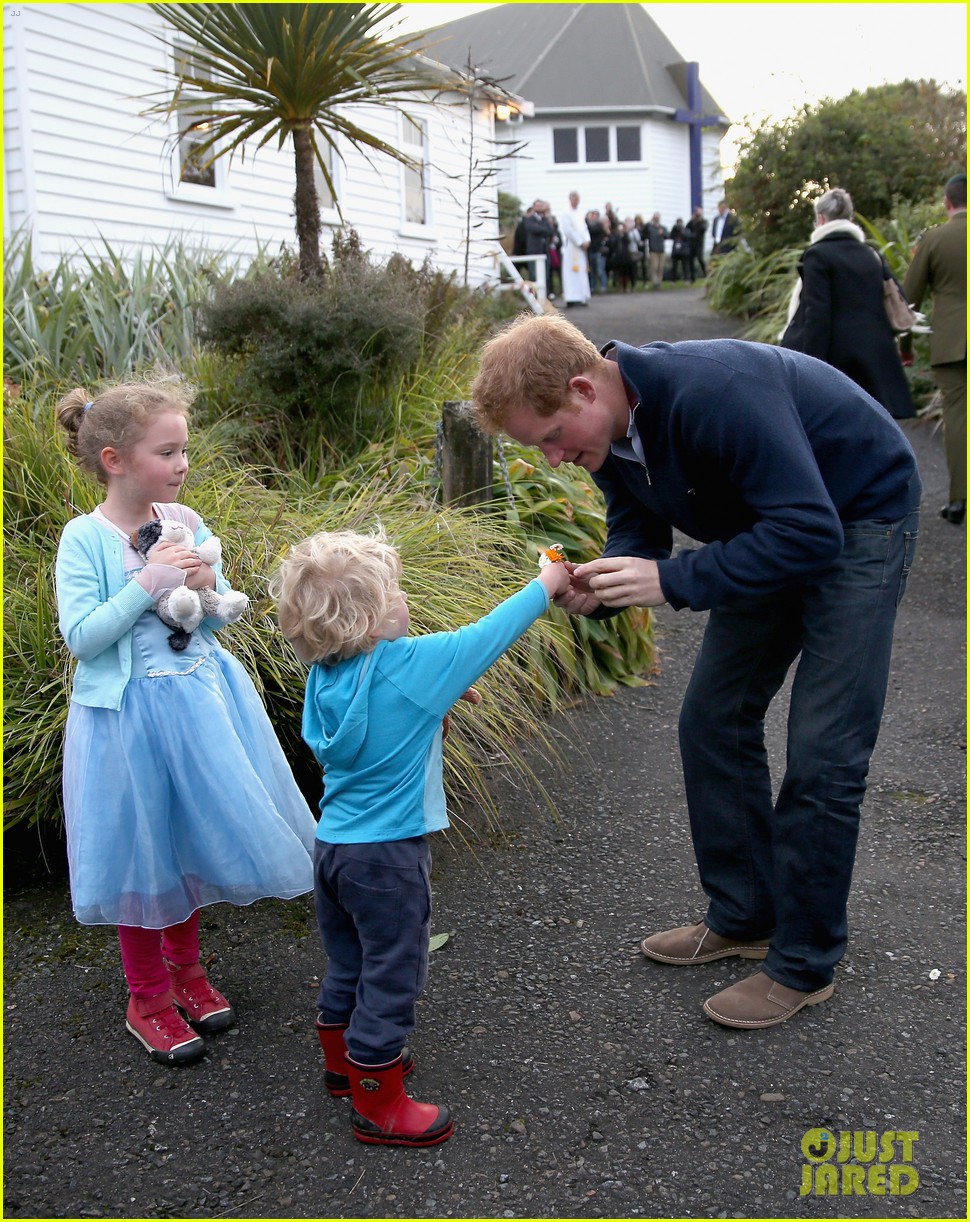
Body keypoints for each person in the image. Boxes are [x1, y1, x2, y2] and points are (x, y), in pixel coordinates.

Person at [471, 313, 921, 1031]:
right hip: (772, 529)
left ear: (585, 389)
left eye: (552, 438)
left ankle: (804, 963)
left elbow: (811, 534)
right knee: (712, 719)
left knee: (825, 751)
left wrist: (673, 580)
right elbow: (638, 524)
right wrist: (608, 584)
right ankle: (746, 916)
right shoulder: (610, 432)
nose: (554, 458)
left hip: (858, 516)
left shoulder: (715, 392)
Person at [269, 529, 569, 1146]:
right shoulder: (414, 664)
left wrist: (437, 699)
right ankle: (378, 1098)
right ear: (374, 620)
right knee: (395, 968)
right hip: (388, 858)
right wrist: (548, 583)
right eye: (396, 593)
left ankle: (341, 1064)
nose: (406, 599)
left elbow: (382, 709)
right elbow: (488, 635)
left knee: (350, 958)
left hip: (334, 848)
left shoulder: (325, 676)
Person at [54, 381, 316, 1067]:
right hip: (128, 719)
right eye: (166, 452)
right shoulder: (85, 538)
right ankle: (146, 995)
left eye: (183, 450)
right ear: (114, 459)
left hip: (200, 704)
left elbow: (219, 612)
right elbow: (83, 637)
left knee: (187, 839)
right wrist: (148, 580)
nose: (180, 465)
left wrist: (204, 584)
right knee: (143, 851)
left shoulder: (184, 516)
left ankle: (185, 970)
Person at [780, 187, 916, 421]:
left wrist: (809, 368)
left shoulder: (818, 255)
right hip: (875, 361)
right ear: (851, 219)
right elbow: (898, 300)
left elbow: (817, 316)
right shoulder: (871, 255)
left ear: (821, 219)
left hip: (838, 362)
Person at [904, 173, 967, 525]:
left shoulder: (935, 238)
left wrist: (906, 347)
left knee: (957, 419)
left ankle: (959, 500)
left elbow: (907, 302)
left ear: (947, 202)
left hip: (952, 342)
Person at [559, 190, 591, 306]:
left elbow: (584, 228)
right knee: (572, 273)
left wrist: (587, 240)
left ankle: (582, 296)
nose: (576, 202)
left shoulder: (580, 213)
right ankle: (572, 297)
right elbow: (568, 230)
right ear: (570, 199)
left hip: (581, 248)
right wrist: (580, 242)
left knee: (582, 272)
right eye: (575, 199)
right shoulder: (566, 212)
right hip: (572, 248)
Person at [643, 212, 669, 289]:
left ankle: (659, 282)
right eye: (655, 217)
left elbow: (668, 235)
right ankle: (655, 282)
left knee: (660, 267)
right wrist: (649, 222)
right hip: (653, 250)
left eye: (658, 217)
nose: (657, 219)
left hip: (661, 249)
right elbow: (644, 232)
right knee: (654, 267)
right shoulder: (649, 227)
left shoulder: (663, 228)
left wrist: (663, 233)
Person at [686, 205, 708, 280]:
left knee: (700, 259)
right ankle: (692, 278)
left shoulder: (703, 221)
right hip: (692, 244)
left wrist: (699, 220)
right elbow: (686, 228)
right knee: (691, 260)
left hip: (699, 244)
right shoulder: (692, 222)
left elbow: (704, 229)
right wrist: (692, 219)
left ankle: (706, 274)